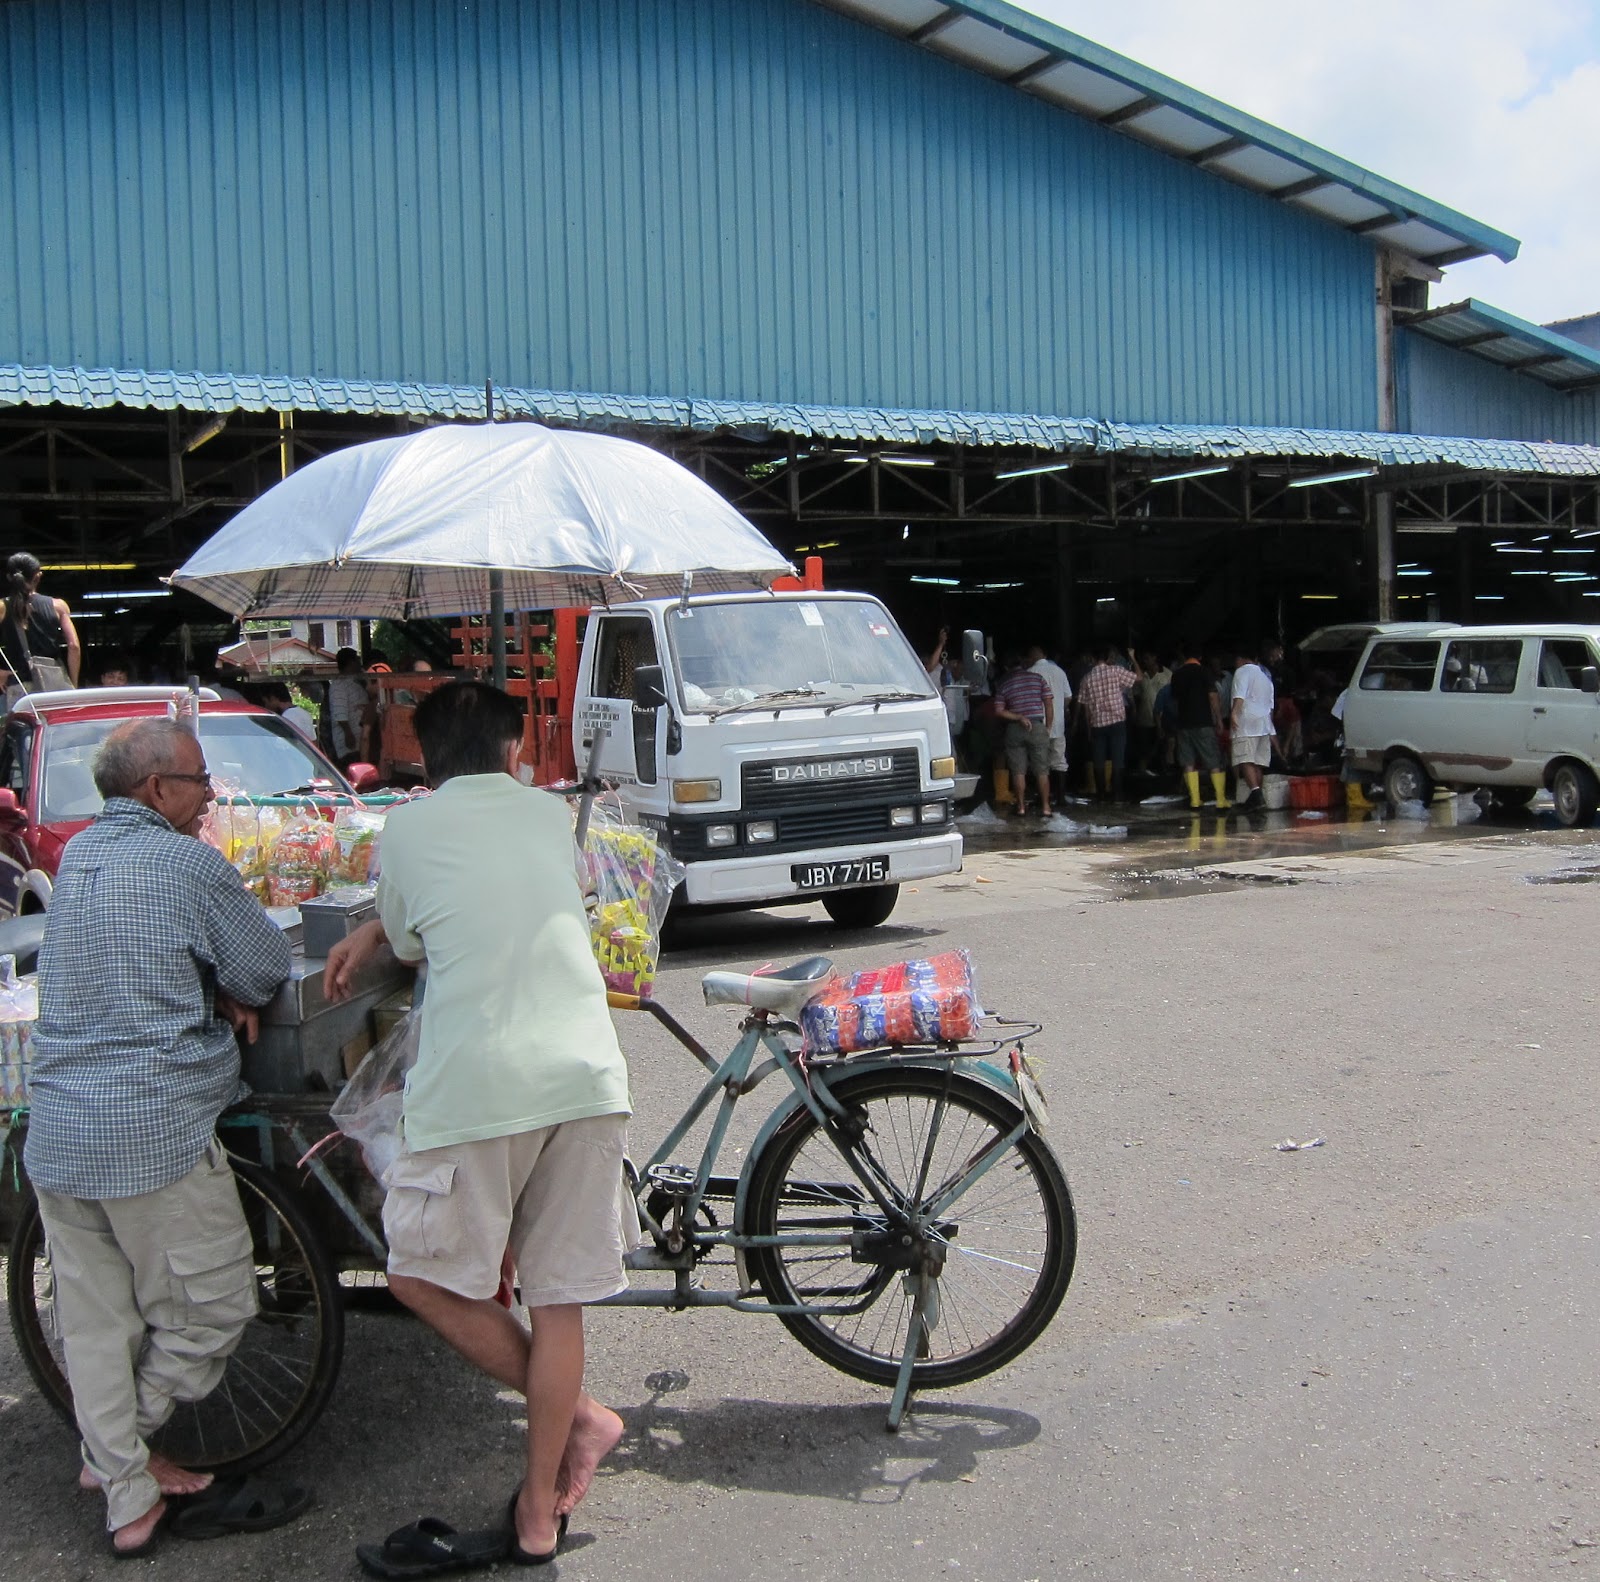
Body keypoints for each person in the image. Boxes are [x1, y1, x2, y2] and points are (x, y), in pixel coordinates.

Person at [325, 682, 632, 1568]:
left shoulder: (408, 828)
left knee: (418, 1275)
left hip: (479, 1086)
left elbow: (411, 941)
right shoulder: (550, 816)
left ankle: (581, 1416)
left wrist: (370, 934)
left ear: (422, 757)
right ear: (513, 751)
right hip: (586, 1074)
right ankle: (538, 1514)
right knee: (558, 1296)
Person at [22, 719, 302, 1555]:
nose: (210, 794)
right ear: (156, 790)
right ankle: (114, 1459)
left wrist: (200, 982)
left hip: (59, 1131)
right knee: (216, 1307)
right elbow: (262, 968)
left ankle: (125, 1495)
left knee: (95, 1326)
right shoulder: (189, 863)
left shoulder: (77, 857)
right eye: (200, 780)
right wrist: (222, 987)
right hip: (149, 1131)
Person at [0, 550, 80, 693]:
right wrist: (73, 683)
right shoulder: (58, 605)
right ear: (38, 576)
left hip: (19, 684)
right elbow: (74, 646)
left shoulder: (2, 607)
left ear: (9, 577)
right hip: (54, 684)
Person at [1072, 644, 1140, 802]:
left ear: (1092, 659)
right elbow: (1139, 678)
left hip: (1097, 724)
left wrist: (1089, 729)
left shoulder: (1087, 678)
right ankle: (1117, 794)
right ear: (1108, 657)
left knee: (1098, 760)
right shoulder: (1116, 671)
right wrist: (1133, 658)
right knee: (1118, 759)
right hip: (1117, 722)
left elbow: (1086, 708)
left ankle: (1101, 795)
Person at [994, 651, 1053, 818]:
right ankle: (1046, 807)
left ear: (1006, 667)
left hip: (1015, 728)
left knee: (1018, 771)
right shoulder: (1037, 679)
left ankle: (1020, 807)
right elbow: (1048, 703)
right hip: (1037, 726)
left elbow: (999, 710)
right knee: (1042, 770)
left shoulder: (1004, 683)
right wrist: (1048, 727)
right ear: (1023, 664)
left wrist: (1018, 717)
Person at [1170, 648, 1229, 810]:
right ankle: (1220, 799)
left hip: (1183, 724)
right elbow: (1212, 696)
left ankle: (1195, 800)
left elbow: (1174, 700)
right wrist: (1218, 719)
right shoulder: (1204, 672)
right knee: (1213, 760)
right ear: (1200, 657)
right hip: (1203, 723)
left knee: (1188, 761)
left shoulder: (1177, 674)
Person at [1230, 643, 1280, 810]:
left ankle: (1256, 794)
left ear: (1240, 659)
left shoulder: (1242, 672)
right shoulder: (1265, 677)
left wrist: (1234, 714)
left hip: (1247, 722)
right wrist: (1270, 728)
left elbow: (1239, 696)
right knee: (1258, 762)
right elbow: (1271, 707)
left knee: (1245, 759)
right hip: (1264, 724)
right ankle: (1258, 799)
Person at [1026, 643, 1071, 804]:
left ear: (1032, 656)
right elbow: (1068, 697)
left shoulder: (1030, 673)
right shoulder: (1059, 671)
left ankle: (1043, 797)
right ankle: (1060, 797)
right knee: (1059, 760)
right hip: (1058, 724)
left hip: (1037, 724)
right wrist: (1059, 709)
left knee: (1039, 761)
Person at [325, 647, 371, 768]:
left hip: (359, 742)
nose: (360, 664)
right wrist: (348, 734)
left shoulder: (354, 682)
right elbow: (340, 712)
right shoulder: (339, 685)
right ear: (351, 662)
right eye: (357, 660)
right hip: (350, 745)